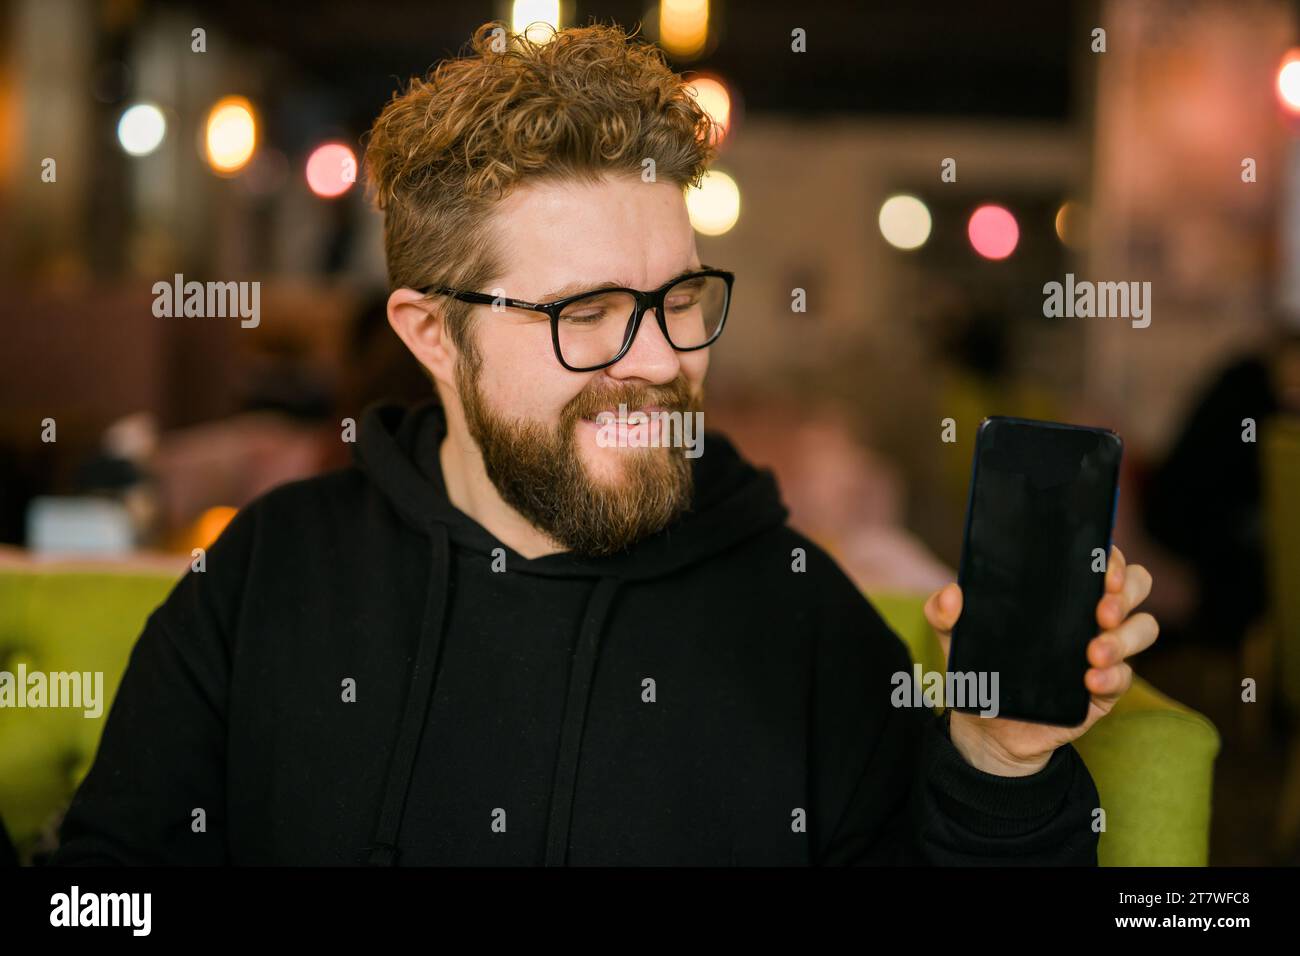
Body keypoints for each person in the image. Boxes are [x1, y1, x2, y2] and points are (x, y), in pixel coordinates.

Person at [48, 21, 1158, 866]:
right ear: (431, 334)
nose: (660, 360)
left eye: (680, 299)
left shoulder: (804, 620)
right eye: (586, 314)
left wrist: (998, 767)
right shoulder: (267, 575)